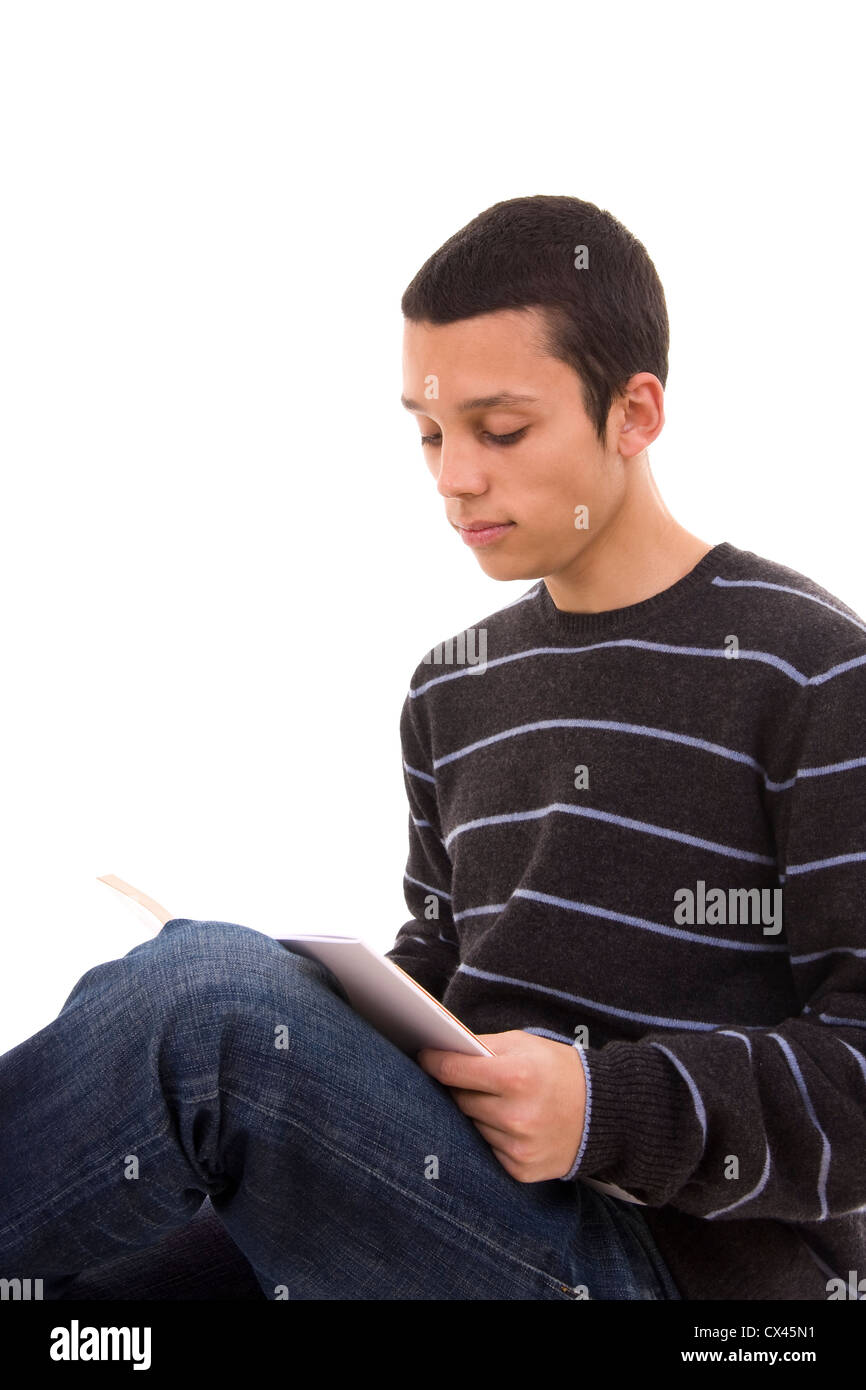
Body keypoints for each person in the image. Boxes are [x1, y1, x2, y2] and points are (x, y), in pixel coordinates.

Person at [2, 195, 863, 1301]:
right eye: (427, 431)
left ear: (634, 412)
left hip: (678, 1278)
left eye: (500, 430)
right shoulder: (454, 682)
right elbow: (448, 962)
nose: (453, 476)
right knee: (79, 1285)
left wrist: (603, 1108)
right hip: (457, 1204)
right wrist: (332, 1004)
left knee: (208, 1009)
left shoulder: (813, 673)